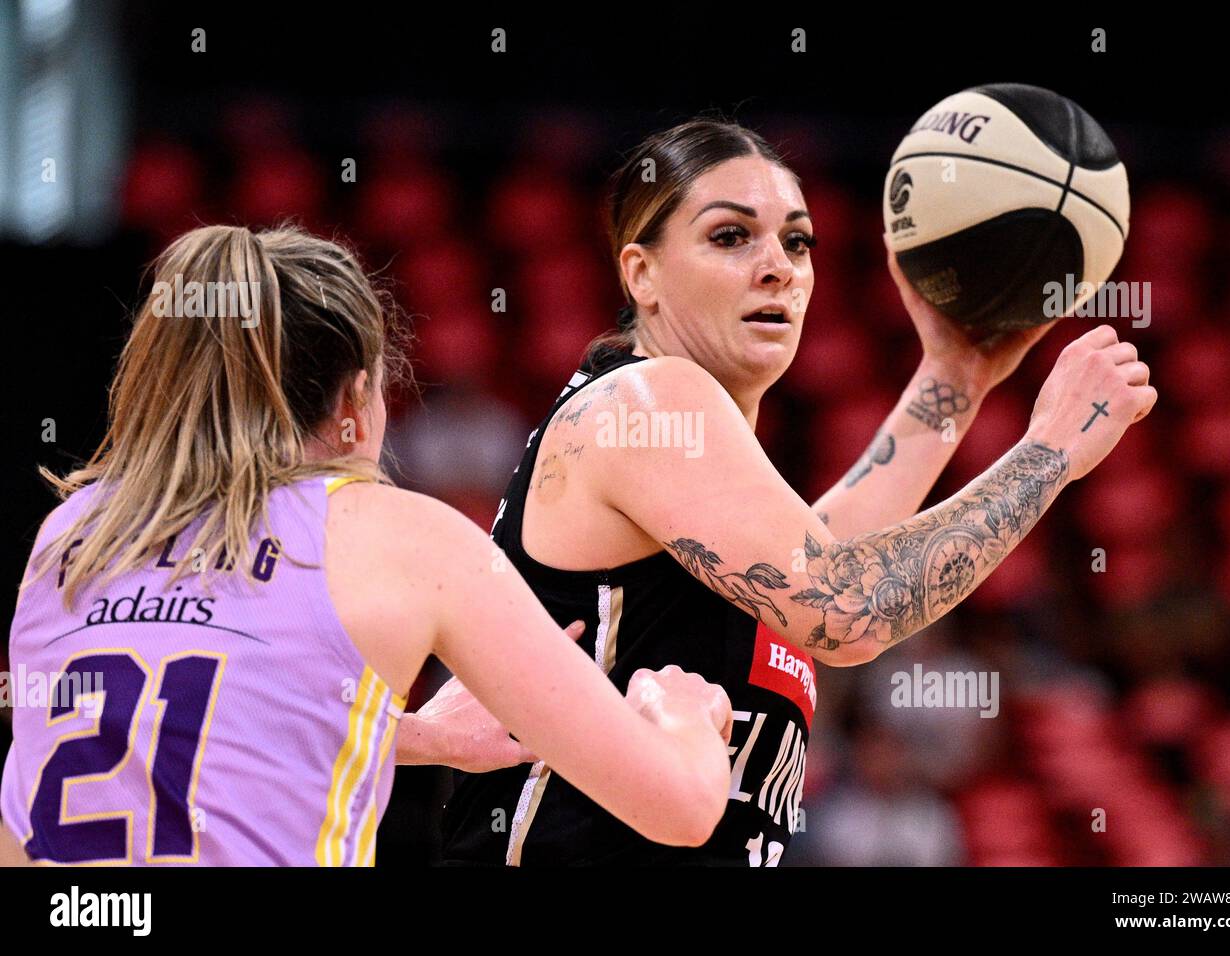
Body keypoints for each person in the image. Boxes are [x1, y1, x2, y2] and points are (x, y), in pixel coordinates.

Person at [433, 117, 1157, 866]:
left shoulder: (681, 451)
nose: (778, 265)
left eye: (798, 241)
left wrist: (956, 376)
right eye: (730, 237)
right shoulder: (649, 405)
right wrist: (1049, 453)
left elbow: (826, 559)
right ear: (641, 274)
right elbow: (847, 609)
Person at [0, 224, 734, 866]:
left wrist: (405, 735)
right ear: (356, 399)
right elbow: (682, 809)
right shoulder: (395, 534)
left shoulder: (75, 533)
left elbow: (159, 735)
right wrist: (684, 714)